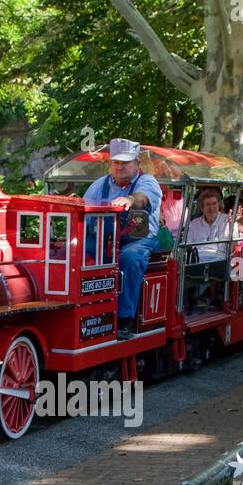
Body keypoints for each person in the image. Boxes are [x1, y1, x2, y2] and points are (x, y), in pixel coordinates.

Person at [83, 138, 162, 339]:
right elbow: (82, 208)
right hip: (104, 238)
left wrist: (130, 199)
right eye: (116, 162)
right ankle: (86, 311)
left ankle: (125, 319)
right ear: (111, 164)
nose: (120, 167)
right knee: (77, 253)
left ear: (136, 163)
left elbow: (143, 198)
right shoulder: (98, 185)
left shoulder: (147, 182)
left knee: (129, 257)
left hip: (138, 239)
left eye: (125, 163)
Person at [184, 187, 232, 310]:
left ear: (219, 205)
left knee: (213, 266)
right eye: (208, 205)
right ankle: (188, 300)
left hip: (220, 258)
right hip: (199, 259)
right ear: (202, 208)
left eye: (214, 204)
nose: (211, 208)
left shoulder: (227, 220)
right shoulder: (194, 223)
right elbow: (188, 244)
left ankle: (201, 296)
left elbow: (232, 245)